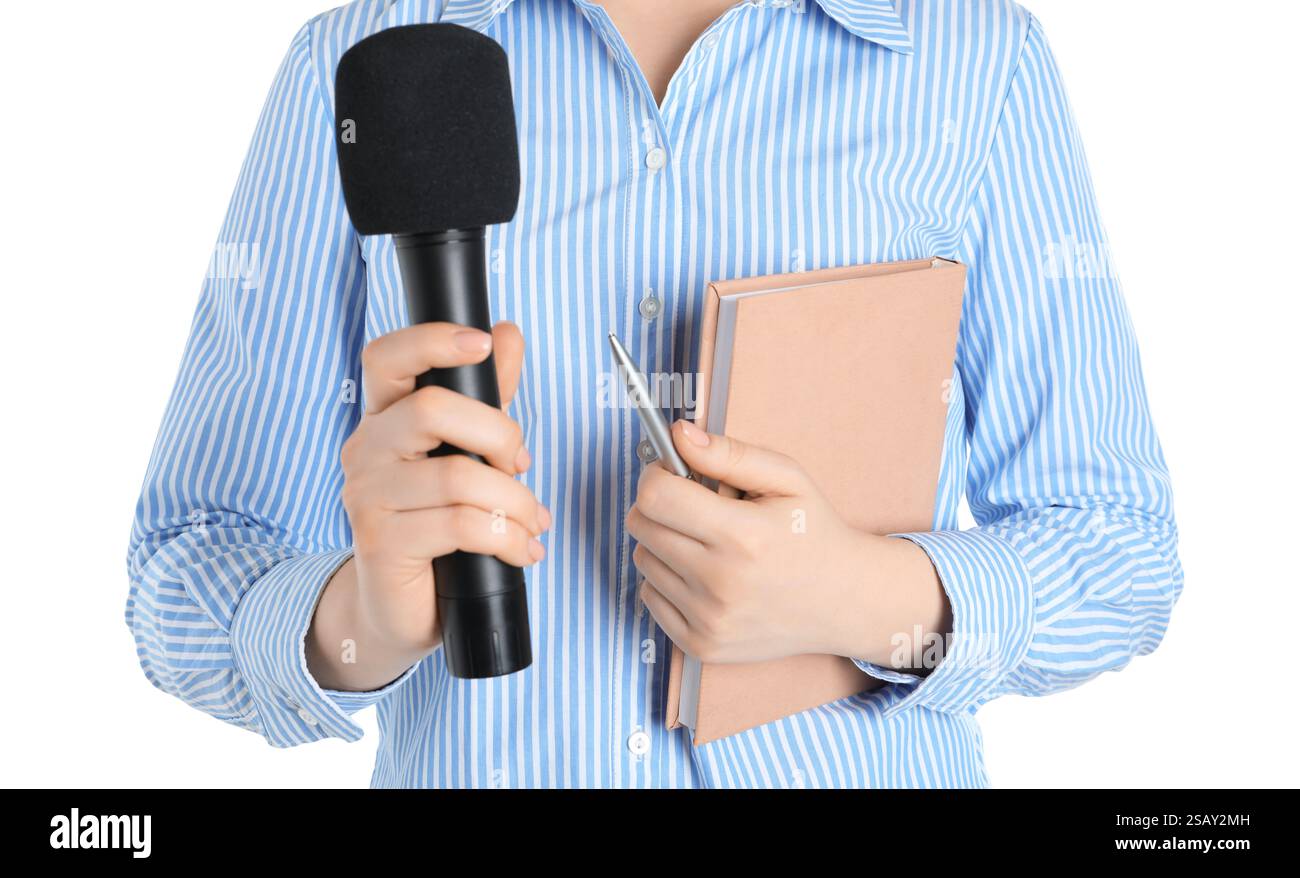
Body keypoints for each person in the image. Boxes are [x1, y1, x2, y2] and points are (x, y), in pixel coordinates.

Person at [126, 0, 1181, 788]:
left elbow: (1121, 546)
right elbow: (182, 569)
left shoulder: (976, 61)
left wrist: (866, 597)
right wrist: (354, 619)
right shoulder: (365, 64)